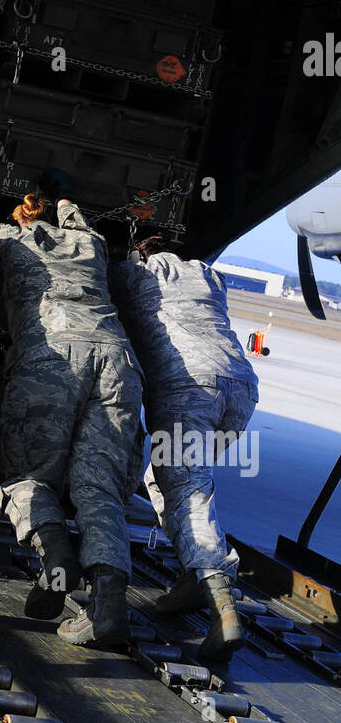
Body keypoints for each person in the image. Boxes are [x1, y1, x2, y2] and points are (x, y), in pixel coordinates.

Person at [0, 180, 144, 647]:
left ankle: (57, 558)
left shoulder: (10, 240)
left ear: (21, 219)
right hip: (117, 362)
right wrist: (64, 200)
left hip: (53, 361)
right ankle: (106, 606)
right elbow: (79, 221)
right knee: (99, 487)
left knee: (29, 477)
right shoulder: (91, 244)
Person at [109, 235, 258, 662]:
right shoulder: (210, 275)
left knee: (187, 493)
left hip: (188, 386)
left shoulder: (139, 271)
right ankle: (193, 581)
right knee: (169, 478)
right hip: (240, 387)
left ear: (143, 253)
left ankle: (222, 607)